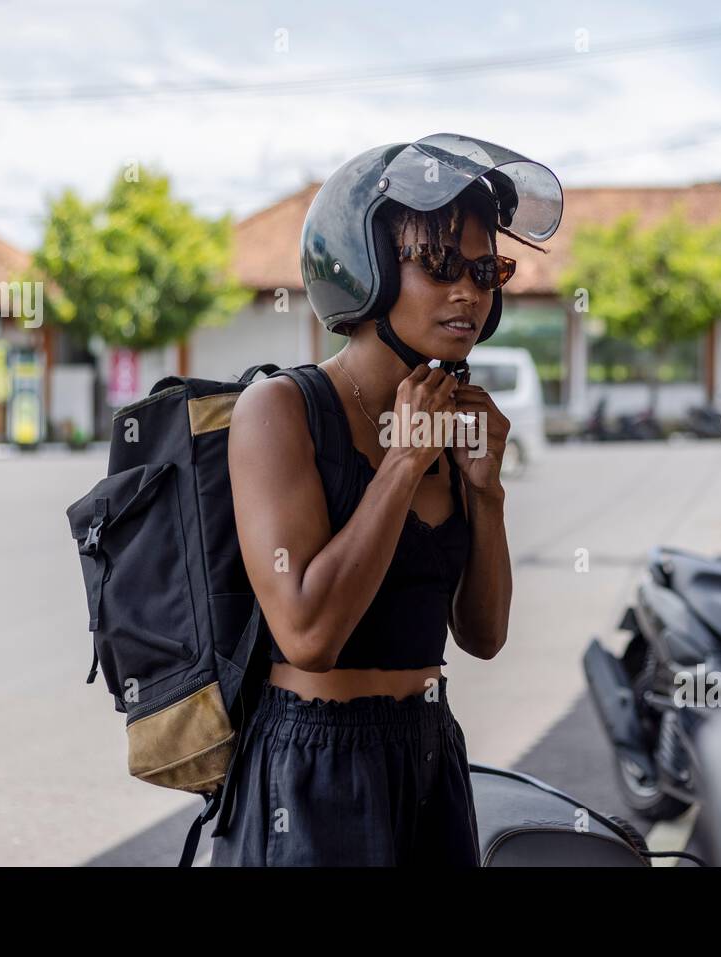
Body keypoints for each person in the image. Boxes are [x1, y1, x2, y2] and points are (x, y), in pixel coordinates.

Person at [210, 134, 563, 866]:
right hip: (314, 772)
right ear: (364, 269)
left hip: (430, 756)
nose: (469, 291)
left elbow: (483, 633)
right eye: (438, 265)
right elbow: (308, 633)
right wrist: (402, 464)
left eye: (485, 269)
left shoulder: (452, 416)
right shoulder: (281, 410)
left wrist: (484, 493)